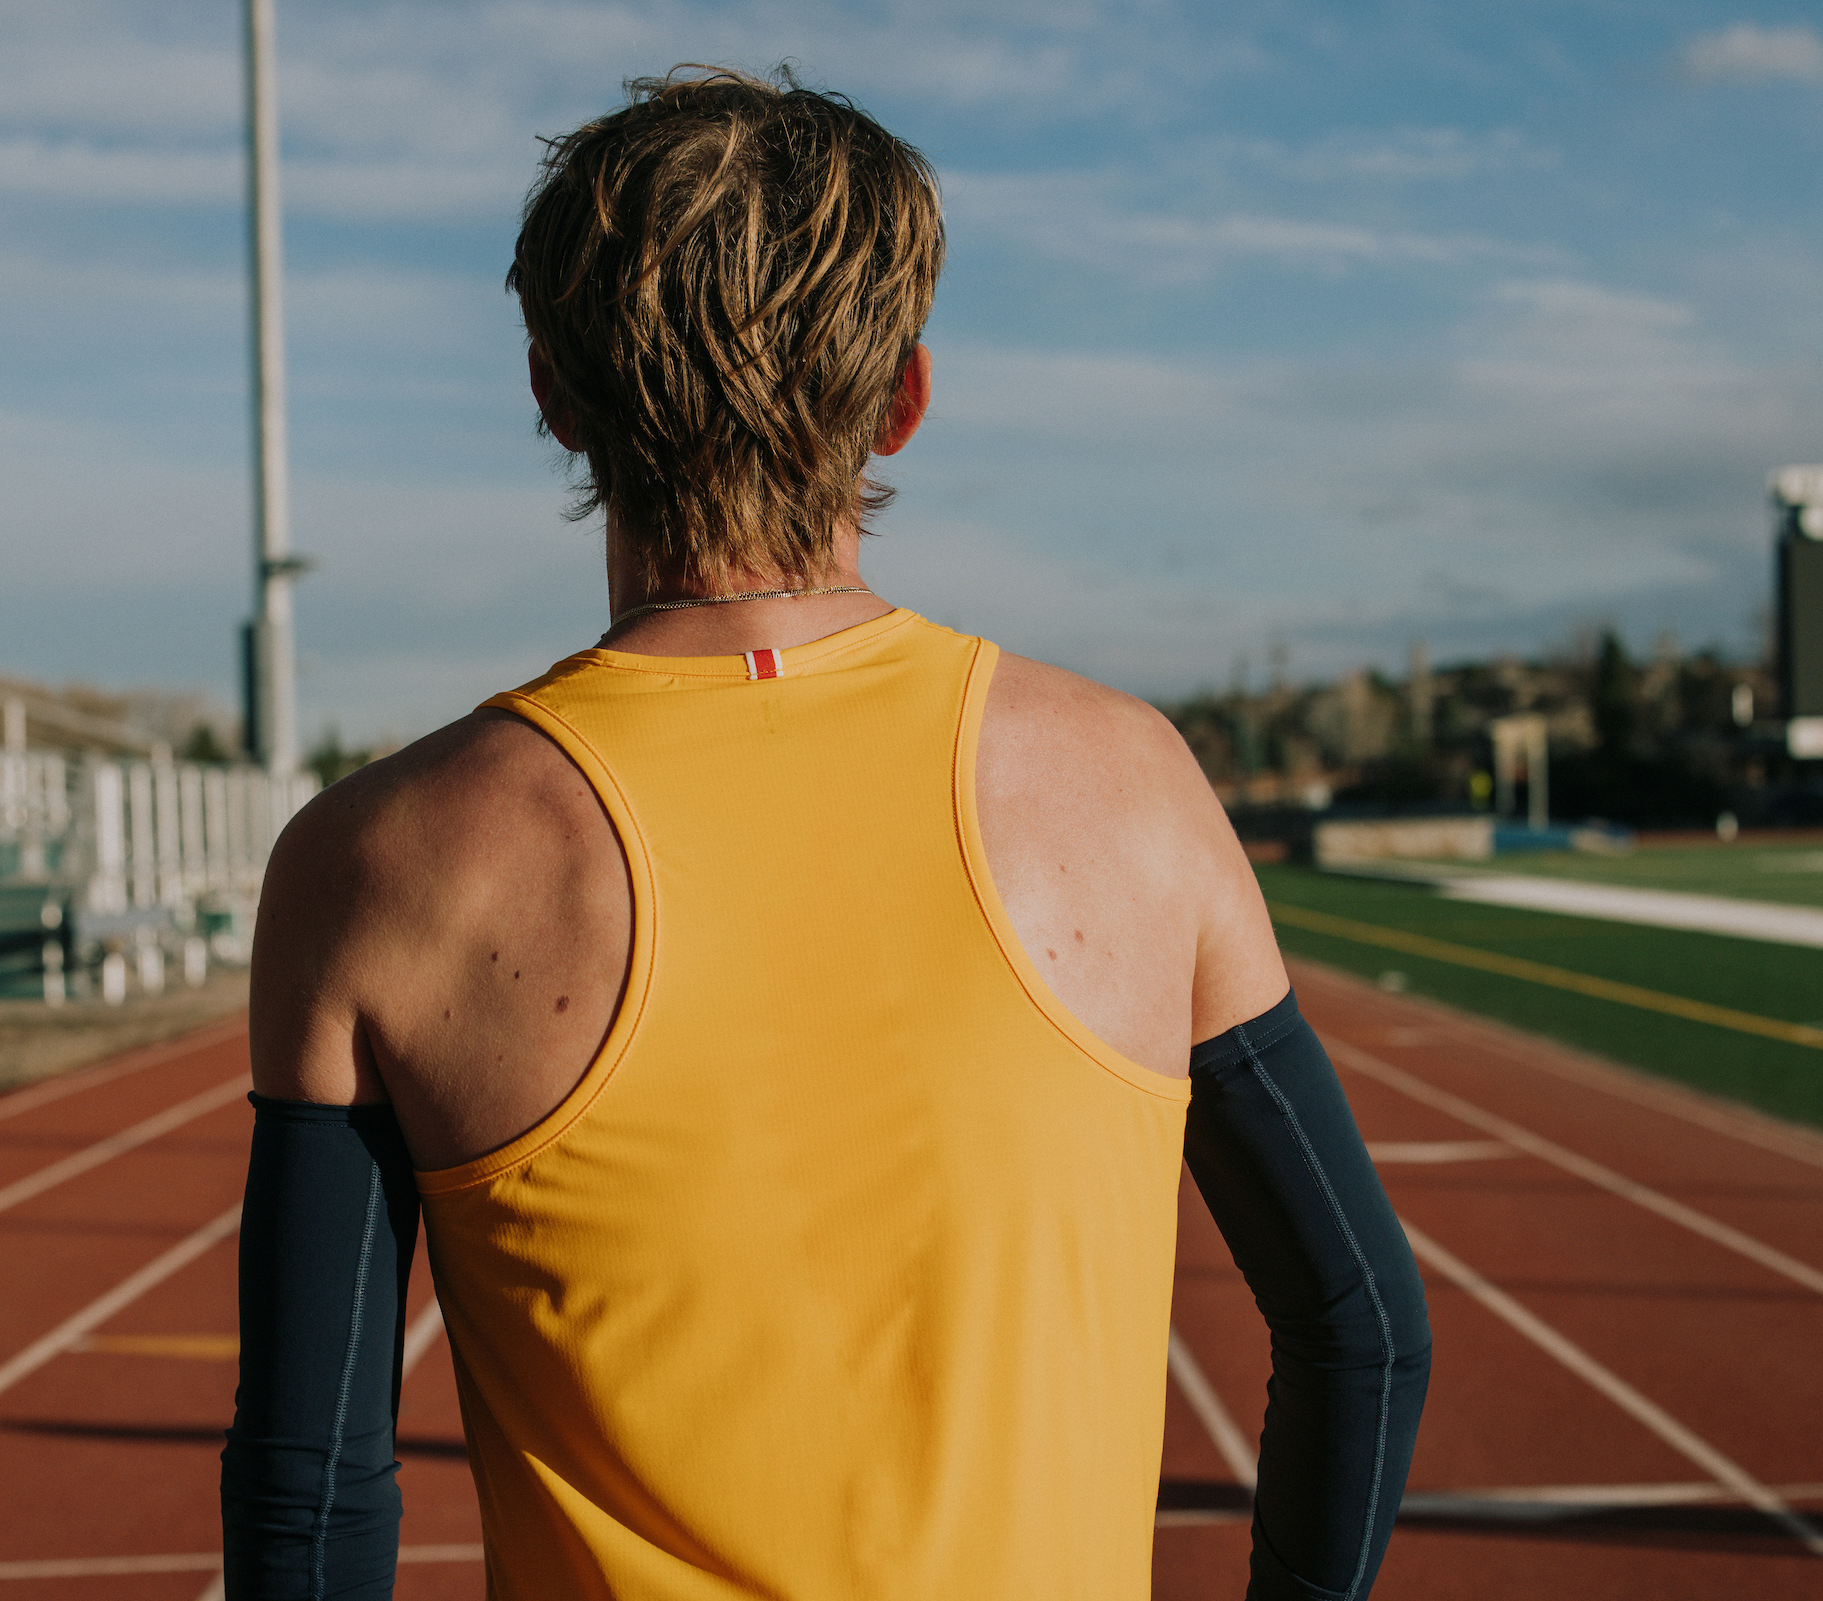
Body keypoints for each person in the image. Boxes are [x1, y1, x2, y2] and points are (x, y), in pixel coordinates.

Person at [221, 67, 1429, 1601]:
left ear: (550, 392)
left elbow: (311, 1487)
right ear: (905, 397)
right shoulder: (1130, 789)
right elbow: (1364, 1325)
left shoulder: (379, 860)